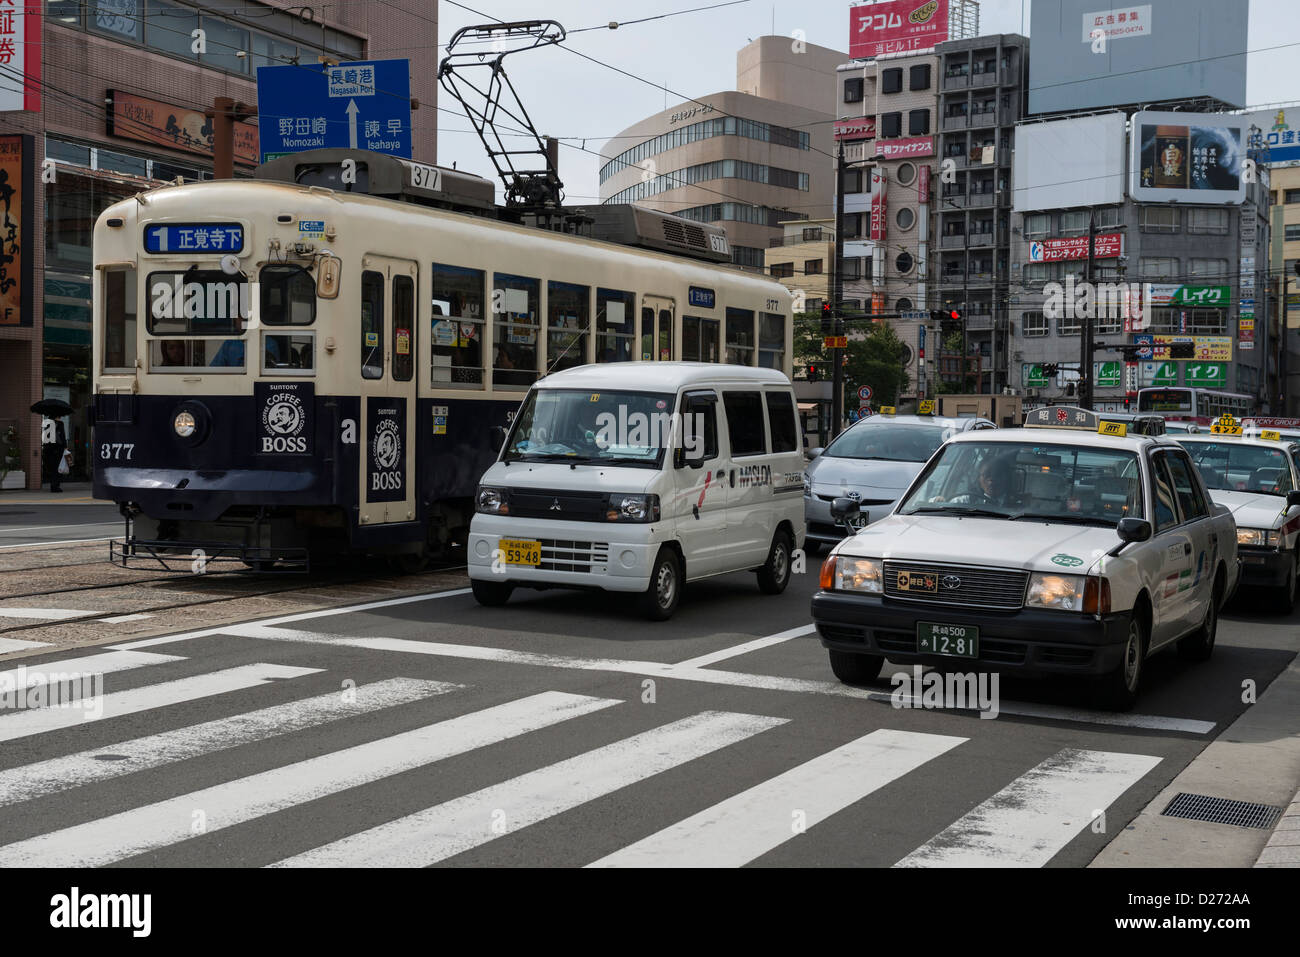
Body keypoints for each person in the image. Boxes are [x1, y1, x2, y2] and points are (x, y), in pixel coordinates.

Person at [951, 455, 1019, 508]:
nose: (991, 479)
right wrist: (941, 502)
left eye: (997, 475)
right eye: (986, 475)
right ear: (979, 479)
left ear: (1007, 479)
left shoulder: (1017, 505)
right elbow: (947, 508)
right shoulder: (966, 501)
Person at [42, 418, 67, 493]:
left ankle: (53, 485)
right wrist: (65, 446)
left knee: (53, 468)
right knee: (58, 468)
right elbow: (62, 436)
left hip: (49, 449)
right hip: (58, 449)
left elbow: (45, 437)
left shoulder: (47, 423)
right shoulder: (60, 424)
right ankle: (56, 486)